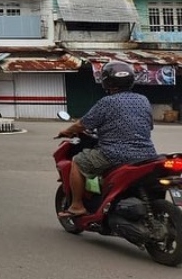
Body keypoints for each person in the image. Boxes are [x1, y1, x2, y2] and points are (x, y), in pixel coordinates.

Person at [56, 61, 158, 218]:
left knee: (77, 161)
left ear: (107, 81)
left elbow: (82, 125)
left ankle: (76, 206)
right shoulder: (143, 100)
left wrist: (65, 131)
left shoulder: (107, 102)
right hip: (148, 155)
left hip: (115, 154)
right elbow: (149, 126)